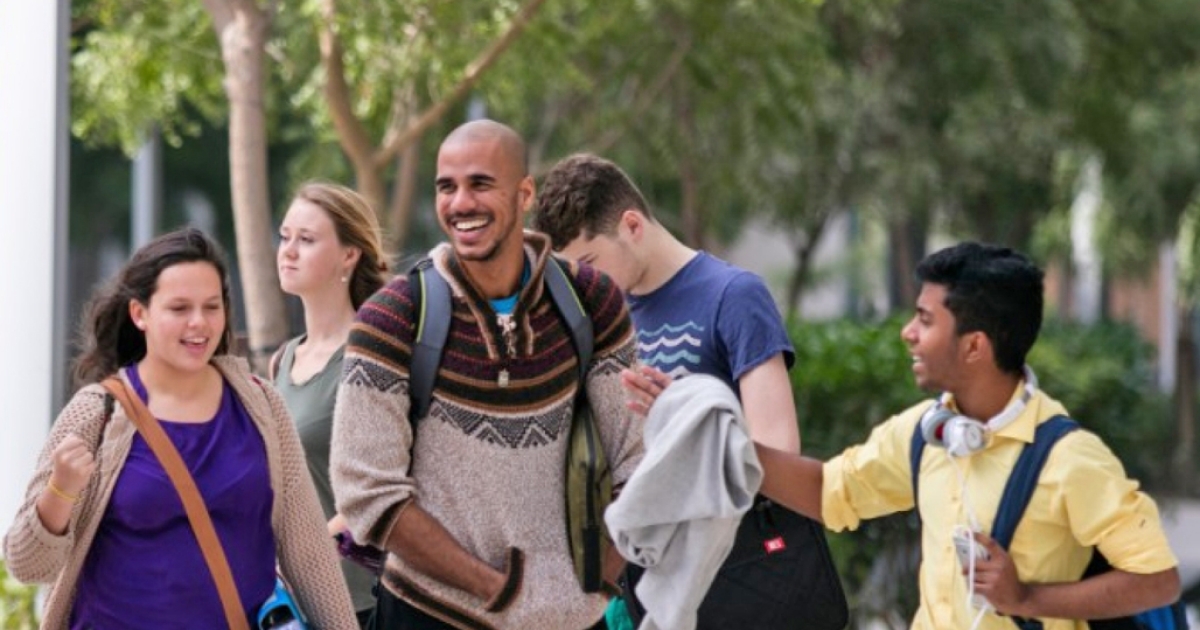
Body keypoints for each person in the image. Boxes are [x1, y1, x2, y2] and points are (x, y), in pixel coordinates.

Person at [751, 242, 1182, 629]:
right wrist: (726, 445)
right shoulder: (926, 432)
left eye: (924, 319)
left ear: (974, 346)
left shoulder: (1069, 459)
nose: (908, 333)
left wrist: (1027, 599)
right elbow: (831, 491)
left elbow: (1157, 582)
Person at [329, 120, 644, 629]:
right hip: (429, 615)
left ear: (524, 194)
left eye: (480, 184)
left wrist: (603, 577)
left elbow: (638, 456)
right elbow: (366, 490)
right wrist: (495, 590)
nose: (460, 203)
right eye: (446, 187)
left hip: (573, 622)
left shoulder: (592, 302)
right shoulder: (391, 319)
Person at [532, 154, 841, 629]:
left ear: (632, 225)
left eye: (590, 263)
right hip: (643, 592)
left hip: (737, 582)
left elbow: (781, 451)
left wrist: (687, 415)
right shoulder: (598, 322)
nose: (584, 283)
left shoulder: (734, 296)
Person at [4, 228, 357, 629]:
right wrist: (61, 490)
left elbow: (308, 552)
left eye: (211, 307)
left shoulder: (261, 405)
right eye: (179, 308)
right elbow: (27, 564)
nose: (199, 324)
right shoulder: (97, 414)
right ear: (140, 314)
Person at [273, 181, 391, 627]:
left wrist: (309, 550)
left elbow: (383, 488)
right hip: (285, 604)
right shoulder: (283, 360)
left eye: (306, 240)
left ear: (349, 254)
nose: (288, 251)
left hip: (354, 603)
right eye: (285, 236)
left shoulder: (372, 355)